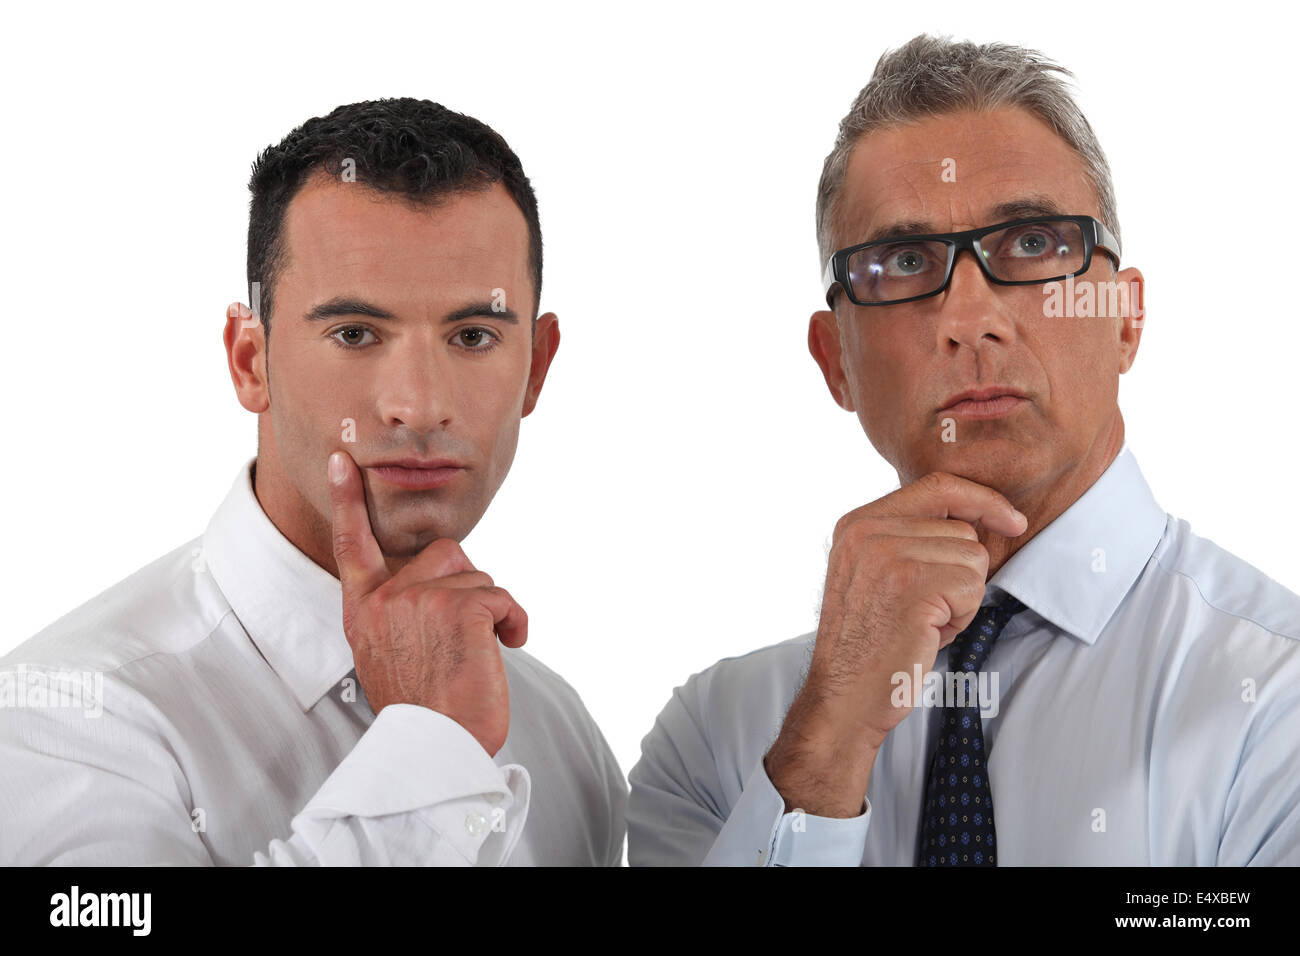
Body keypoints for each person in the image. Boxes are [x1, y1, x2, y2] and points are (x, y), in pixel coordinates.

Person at [627, 35, 1300, 866]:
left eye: (1031, 244)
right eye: (904, 262)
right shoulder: (716, 743)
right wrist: (825, 746)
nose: (969, 318)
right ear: (835, 360)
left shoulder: (1280, 698)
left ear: (1125, 319)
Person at [0, 97, 626, 866]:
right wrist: (432, 749)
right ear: (249, 360)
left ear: (538, 364)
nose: (420, 405)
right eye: (355, 333)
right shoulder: (61, 720)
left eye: (473, 336)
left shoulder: (562, 735)